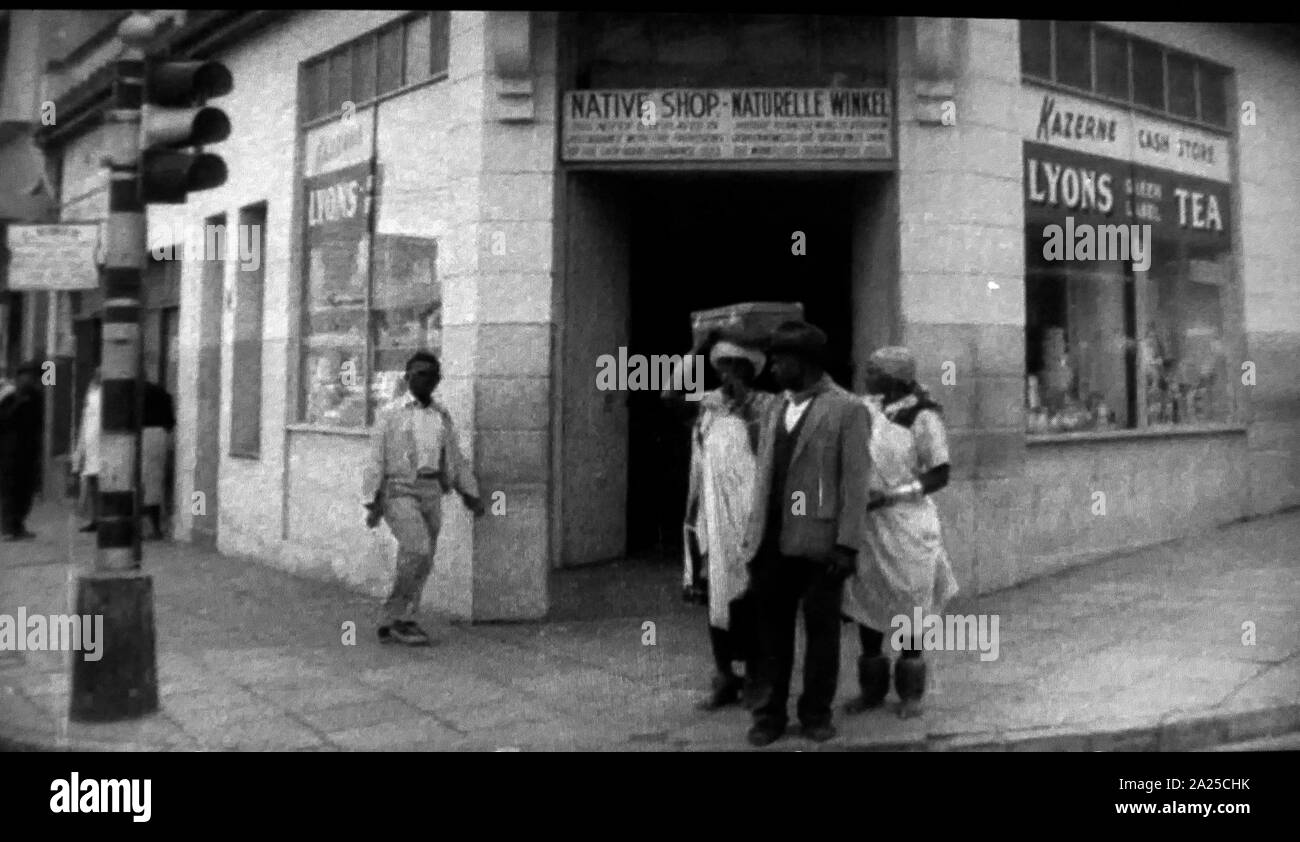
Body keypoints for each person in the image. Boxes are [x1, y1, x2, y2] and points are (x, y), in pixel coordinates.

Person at [739, 321, 871, 746]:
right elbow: (763, 475)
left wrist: (847, 546)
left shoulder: (847, 409)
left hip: (821, 546)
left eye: (780, 359)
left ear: (806, 362)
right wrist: (751, 535)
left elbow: (855, 484)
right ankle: (769, 715)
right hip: (771, 541)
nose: (773, 367)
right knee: (770, 635)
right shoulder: (775, 407)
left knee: (822, 635)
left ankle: (816, 714)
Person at [841, 346, 959, 719]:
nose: (868, 374)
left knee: (909, 603)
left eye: (875, 370)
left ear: (894, 377)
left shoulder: (922, 416)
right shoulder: (867, 408)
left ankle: (910, 691)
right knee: (868, 600)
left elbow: (940, 473)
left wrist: (890, 495)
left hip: (906, 524)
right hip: (870, 525)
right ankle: (871, 691)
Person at [677, 338, 778, 711]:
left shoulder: (768, 405)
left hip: (750, 515)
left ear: (750, 371)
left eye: (736, 367)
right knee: (715, 593)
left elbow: (768, 451)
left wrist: (746, 407)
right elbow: (670, 397)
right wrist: (697, 348)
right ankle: (724, 676)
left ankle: (755, 675)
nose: (727, 374)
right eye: (723, 367)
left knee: (749, 593)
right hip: (709, 515)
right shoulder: (708, 403)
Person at [362, 351, 486, 646]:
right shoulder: (390, 413)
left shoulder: (441, 416)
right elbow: (375, 460)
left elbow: (454, 459)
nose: (423, 379)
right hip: (399, 490)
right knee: (416, 548)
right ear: (406, 378)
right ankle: (397, 617)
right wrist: (372, 499)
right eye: (417, 374)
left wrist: (470, 493)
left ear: (438, 380)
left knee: (424, 558)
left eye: (429, 375)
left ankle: (399, 620)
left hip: (431, 490)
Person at [0, 361, 45, 541]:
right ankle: (9, 527)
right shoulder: (9, 397)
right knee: (10, 490)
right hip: (9, 452)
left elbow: (39, 424)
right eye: (27, 376)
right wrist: (18, 403)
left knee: (25, 491)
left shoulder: (36, 397)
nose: (30, 380)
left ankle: (18, 525)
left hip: (29, 452)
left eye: (33, 377)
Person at [141, 380, 176, 540]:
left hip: (143, 436)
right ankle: (156, 526)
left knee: (144, 482)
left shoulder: (137, 393)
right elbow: (170, 421)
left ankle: (150, 528)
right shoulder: (161, 392)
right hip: (160, 435)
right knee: (155, 482)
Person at [72, 368, 102, 533]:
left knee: (99, 481)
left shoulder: (105, 394)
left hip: (102, 444)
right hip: (91, 443)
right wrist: (80, 450)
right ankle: (95, 518)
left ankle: (101, 517)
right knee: (92, 481)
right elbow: (85, 421)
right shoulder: (92, 393)